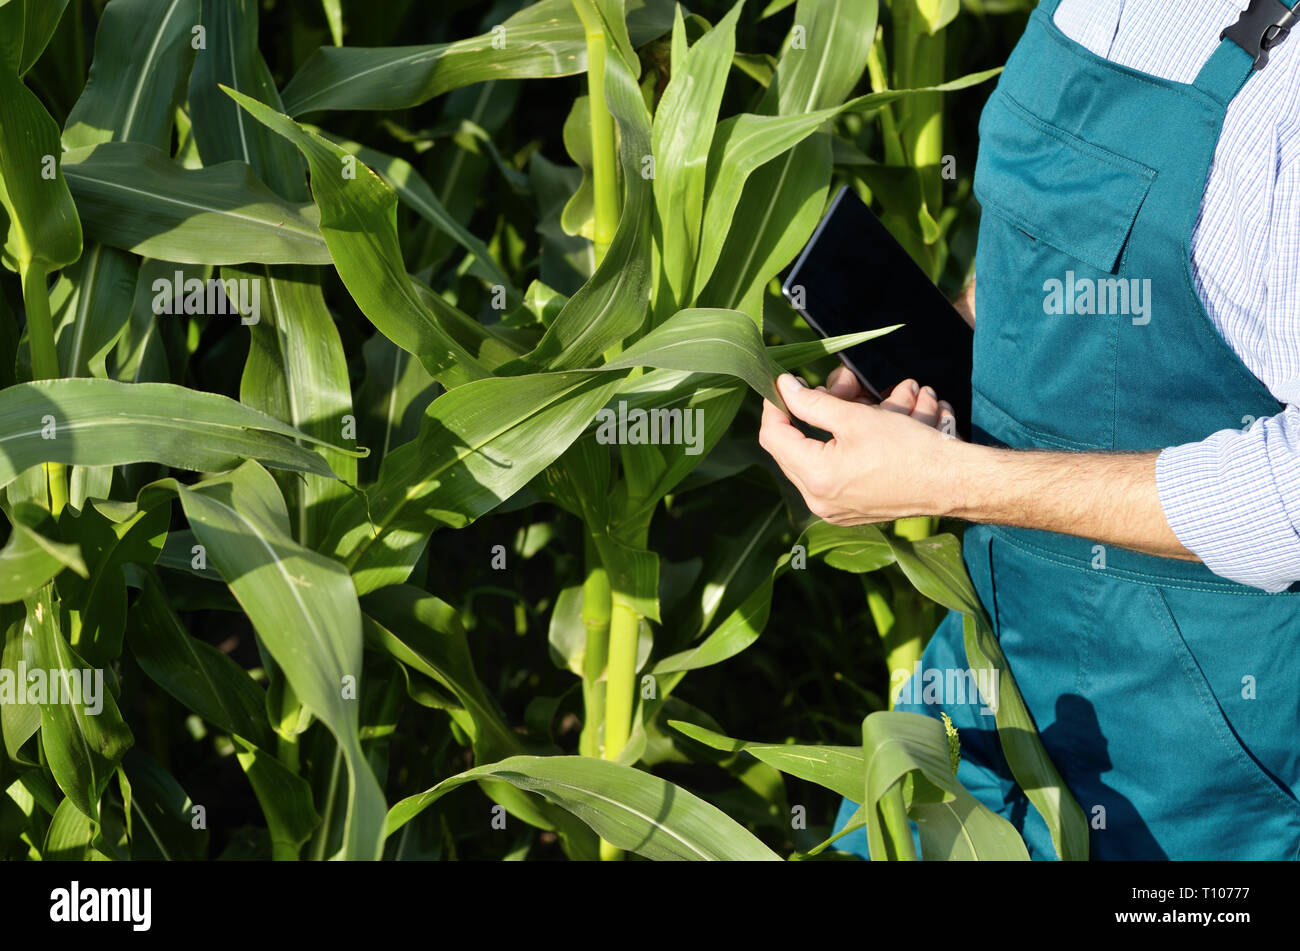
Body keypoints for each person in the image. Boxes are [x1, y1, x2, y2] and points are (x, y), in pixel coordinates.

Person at [758, 0, 1300, 860]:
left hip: (1197, 741)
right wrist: (932, 349)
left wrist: (947, 480)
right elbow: (1060, 257)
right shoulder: (1077, 10)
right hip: (993, 643)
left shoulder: (1286, 97)